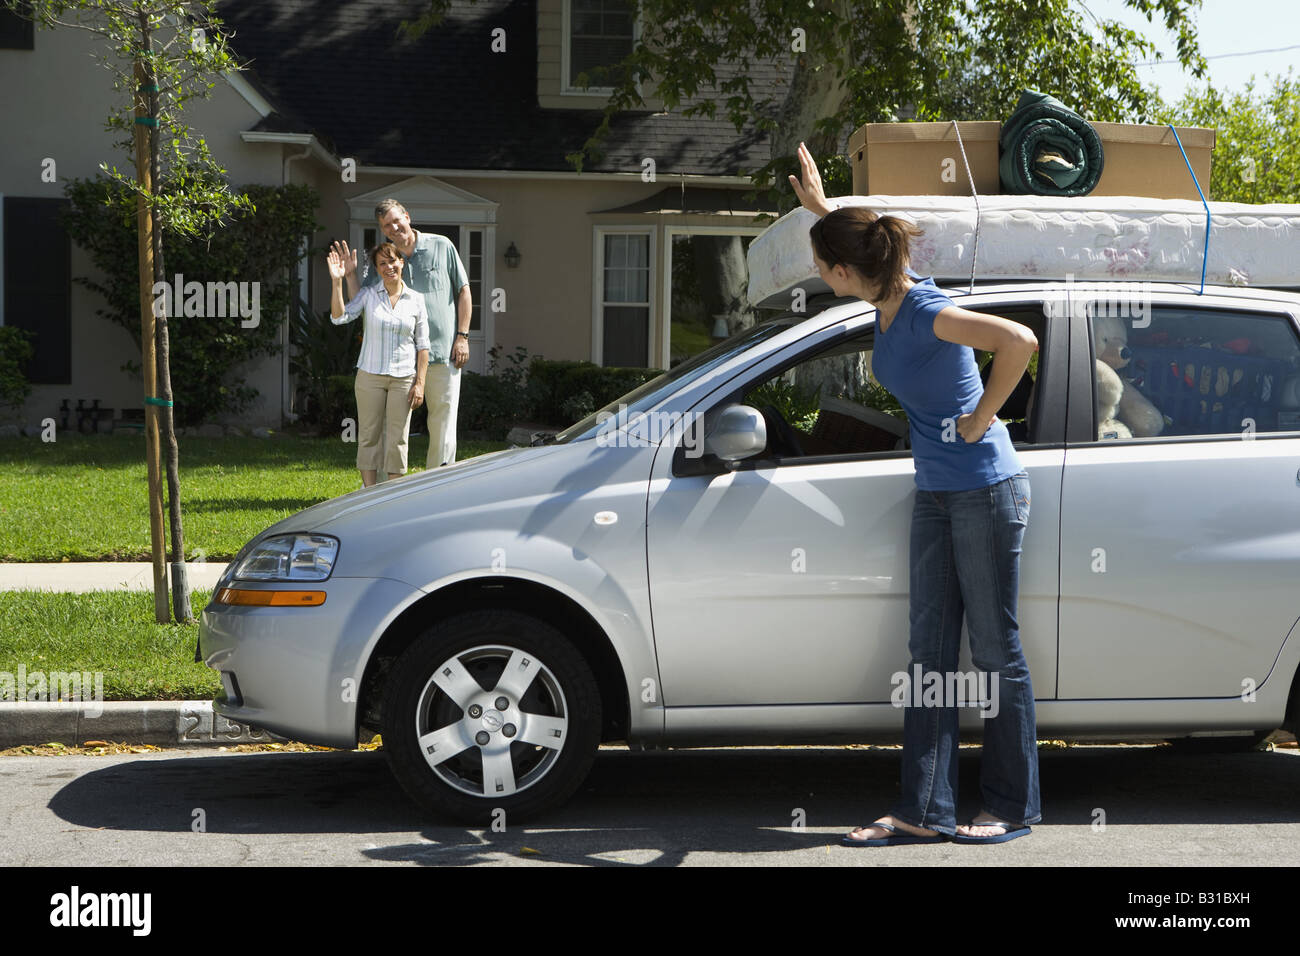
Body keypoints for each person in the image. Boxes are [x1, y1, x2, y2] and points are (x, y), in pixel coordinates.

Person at [788, 142, 1041, 846]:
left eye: (821, 265)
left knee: (994, 652)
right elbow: (867, 247)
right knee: (928, 655)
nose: (819, 274)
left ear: (844, 272)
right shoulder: (885, 289)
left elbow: (1018, 340)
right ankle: (925, 811)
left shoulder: (927, 309)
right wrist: (822, 208)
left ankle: (1011, 807)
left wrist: (984, 416)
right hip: (935, 492)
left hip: (985, 489)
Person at [331, 200, 471, 469]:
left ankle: (436, 486)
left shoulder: (442, 246)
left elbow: (463, 290)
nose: (394, 227)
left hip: (444, 353)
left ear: (407, 216)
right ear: (383, 231)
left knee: (443, 422)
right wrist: (348, 276)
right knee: (390, 426)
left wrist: (462, 336)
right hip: (400, 361)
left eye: (397, 220)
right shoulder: (386, 258)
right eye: (387, 225)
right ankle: (385, 489)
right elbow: (363, 301)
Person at [327, 242, 430, 487]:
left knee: (398, 439)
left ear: (402, 262)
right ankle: (370, 493)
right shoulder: (369, 295)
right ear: (376, 268)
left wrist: (420, 384)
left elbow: (423, 346)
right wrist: (337, 281)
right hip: (369, 375)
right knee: (368, 436)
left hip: (404, 377)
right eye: (382, 263)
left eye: (392, 261)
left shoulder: (416, 300)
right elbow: (340, 317)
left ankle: (392, 494)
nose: (388, 267)